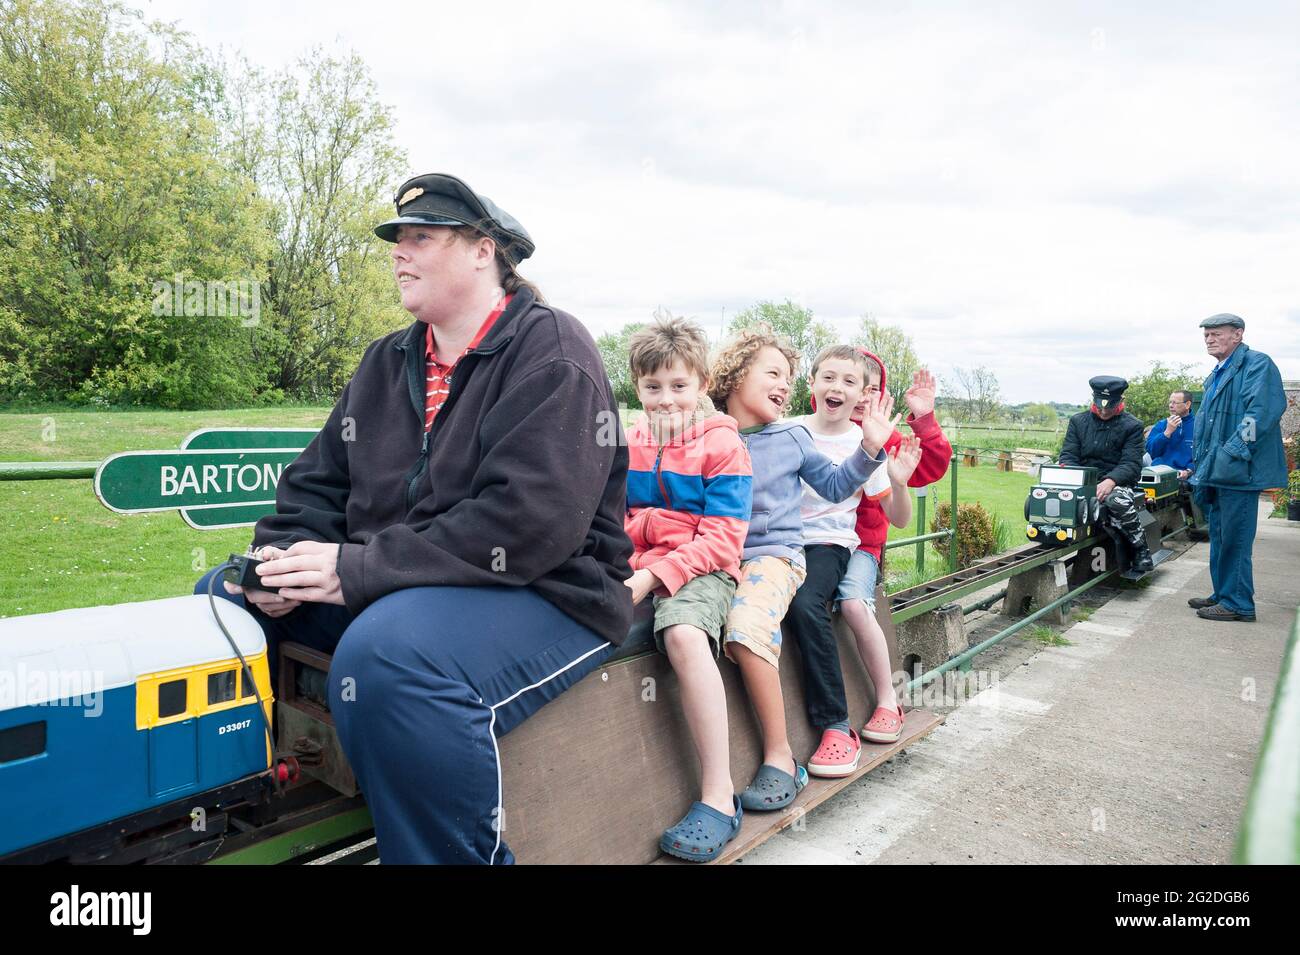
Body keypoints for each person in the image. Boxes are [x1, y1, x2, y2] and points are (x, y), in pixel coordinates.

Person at [195, 173, 634, 864]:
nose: (400, 252)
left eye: (421, 237)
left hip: (550, 590)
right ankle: (247, 823)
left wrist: (358, 568)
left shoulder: (552, 351)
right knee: (220, 605)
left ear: (483, 250)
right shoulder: (385, 362)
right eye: (397, 240)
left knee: (390, 658)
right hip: (405, 585)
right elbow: (315, 485)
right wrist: (275, 561)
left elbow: (531, 524)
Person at [707, 326, 895, 812]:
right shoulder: (708, 433)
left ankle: (827, 728)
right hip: (716, 554)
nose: (784, 385)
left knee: (802, 606)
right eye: (775, 373)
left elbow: (836, 487)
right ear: (734, 376)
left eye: (788, 378)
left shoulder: (790, 437)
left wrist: (872, 450)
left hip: (798, 548)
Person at [622, 316, 752, 862]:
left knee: (680, 633)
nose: (666, 401)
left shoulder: (723, 446)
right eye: (653, 388)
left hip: (703, 568)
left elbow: (723, 539)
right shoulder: (630, 441)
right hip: (635, 560)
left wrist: (655, 576)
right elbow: (615, 516)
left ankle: (719, 796)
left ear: (701, 384)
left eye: (679, 387)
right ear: (638, 388)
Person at [784, 345, 923, 779]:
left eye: (849, 381)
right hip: (778, 542)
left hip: (828, 543)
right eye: (828, 377)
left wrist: (899, 484)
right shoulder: (789, 432)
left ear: (862, 394)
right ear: (811, 383)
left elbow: (897, 519)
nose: (836, 387)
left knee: (810, 603)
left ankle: (837, 727)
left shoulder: (865, 445)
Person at [1186, 314, 1287, 622]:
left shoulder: (1257, 364)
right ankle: (1223, 592)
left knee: (1236, 538)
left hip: (1239, 471)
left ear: (1238, 334)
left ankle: (1238, 602)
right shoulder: (1219, 371)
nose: (1209, 339)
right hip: (1219, 470)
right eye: (1206, 335)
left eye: (1216, 334)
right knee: (1220, 535)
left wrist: (1234, 450)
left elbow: (1261, 412)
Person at [1059, 375, 1153, 573]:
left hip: (1118, 482)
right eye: (1099, 406)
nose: (1103, 411)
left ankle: (1140, 548)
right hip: (1083, 480)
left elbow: (1131, 463)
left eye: (1108, 407)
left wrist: (1111, 480)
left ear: (1121, 402)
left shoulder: (1133, 426)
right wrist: (1074, 479)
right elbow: (1068, 455)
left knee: (1116, 501)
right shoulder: (1078, 421)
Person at [1147, 390, 1195, 478]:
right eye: (1170, 402)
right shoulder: (1161, 425)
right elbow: (1152, 451)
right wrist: (1167, 433)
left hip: (1188, 479)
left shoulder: (1198, 426)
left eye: (1175, 403)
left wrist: (1189, 471)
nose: (1171, 406)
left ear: (1187, 404)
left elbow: (1204, 455)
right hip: (1160, 476)